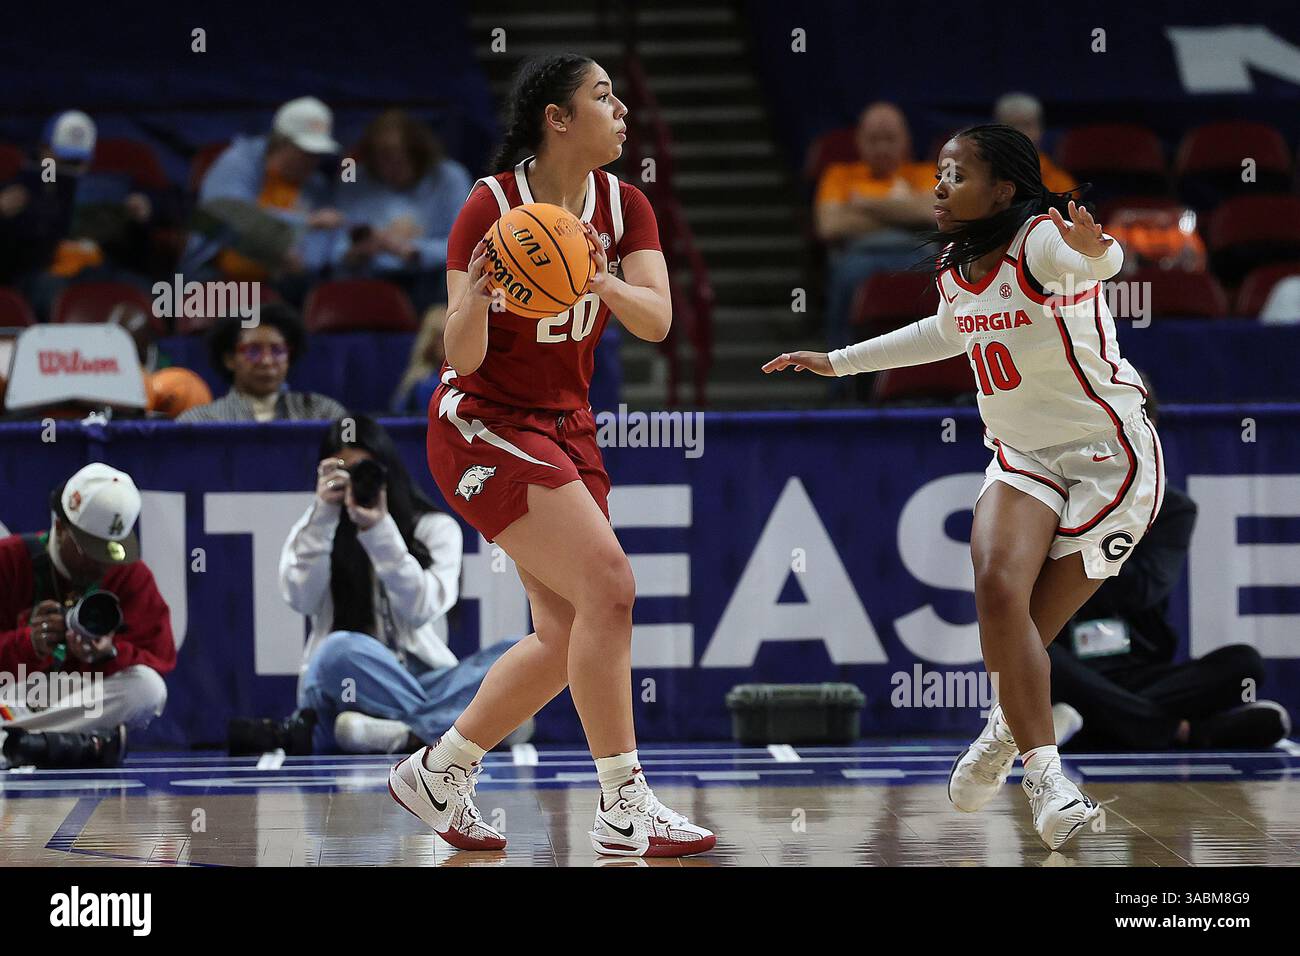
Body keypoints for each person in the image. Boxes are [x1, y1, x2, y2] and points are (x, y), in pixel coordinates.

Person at [766, 124, 1161, 851]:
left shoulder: (1042, 240)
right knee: (995, 587)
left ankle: (1002, 731)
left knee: (1029, 630)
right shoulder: (954, 261)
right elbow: (946, 332)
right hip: (1022, 456)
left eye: (955, 174)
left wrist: (1094, 249)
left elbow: (1103, 263)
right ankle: (1048, 779)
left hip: (1110, 460)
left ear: (1002, 190)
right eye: (939, 173)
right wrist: (838, 360)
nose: (938, 186)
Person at [387, 53, 715, 858]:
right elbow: (460, 356)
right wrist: (480, 299)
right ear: (557, 119)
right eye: (604, 97)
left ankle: (441, 769)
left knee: (566, 628)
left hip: (566, 424)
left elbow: (658, 321)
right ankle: (622, 803)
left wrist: (598, 281)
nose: (623, 111)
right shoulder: (488, 206)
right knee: (611, 584)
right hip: (482, 421)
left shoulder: (625, 204)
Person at [1047, 386, 1291, 750]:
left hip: (1142, 671)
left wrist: (1094, 536)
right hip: (1071, 665)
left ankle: (1092, 724)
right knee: (1037, 655)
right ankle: (1186, 732)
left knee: (1243, 664)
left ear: (1149, 429)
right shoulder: (1051, 499)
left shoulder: (1170, 508)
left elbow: (1143, 588)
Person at [279, 415, 523, 753]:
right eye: (342, 472)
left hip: (428, 680)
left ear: (386, 470)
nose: (354, 482)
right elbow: (300, 598)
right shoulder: (314, 531)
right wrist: (322, 517)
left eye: (364, 471)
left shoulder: (435, 529)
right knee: (336, 650)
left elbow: (422, 608)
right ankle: (469, 727)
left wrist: (379, 531)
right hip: (354, 684)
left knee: (518, 654)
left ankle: (398, 734)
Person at [0, 463, 175, 768]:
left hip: (80, 694)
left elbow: (161, 656)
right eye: (91, 551)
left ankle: (14, 743)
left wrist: (111, 652)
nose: (102, 565)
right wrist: (27, 643)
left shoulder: (131, 575)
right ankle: (63, 743)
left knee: (148, 688)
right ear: (60, 527)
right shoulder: (9, 559)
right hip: (15, 690)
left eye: (111, 553)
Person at [181, 97, 343, 296]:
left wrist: (302, 259)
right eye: (305, 151)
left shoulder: (318, 186)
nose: (313, 160)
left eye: (318, 153)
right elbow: (218, 218)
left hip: (282, 285)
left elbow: (319, 252)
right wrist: (302, 224)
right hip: (215, 278)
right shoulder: (238, 161)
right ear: (281, 141)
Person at [0, 111, 155, 318]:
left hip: (100, 268)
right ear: (46, 152)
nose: (70, 169)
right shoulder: (18, 189)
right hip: (47, 272)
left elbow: (137, 253)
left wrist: (139, 218)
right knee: (51, 292)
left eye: (76, 162)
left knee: (148, 290)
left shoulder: (104, 189)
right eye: (63, 160)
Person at [814, 102, 936, 351]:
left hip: (919, 255)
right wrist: (903, 208)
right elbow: (830, 226)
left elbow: (932, 213)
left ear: (906, 140)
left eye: (890, 139)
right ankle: (841, 375)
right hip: (858, 258)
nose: (882, 148)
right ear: (859, 141)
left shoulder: (926, 173)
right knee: (847, 277)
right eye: (873, 139)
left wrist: (864, 204)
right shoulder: (839, 175)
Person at [330, 110, 472, 311]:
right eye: (382, 160)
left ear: (419, 154)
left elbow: (466, 245)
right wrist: (354, 252)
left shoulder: (450, 176)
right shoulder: (353, 176)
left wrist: (414, 251)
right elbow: (335, 246)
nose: (390, 168)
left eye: (399, 159)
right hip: (371, 276)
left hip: (429, 277)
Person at [176, 303, 347, 422]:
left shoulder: (323, 413)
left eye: (277, 350)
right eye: (253, 351)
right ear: (229, 359)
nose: (266, 361)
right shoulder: (200, 421)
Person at [992, 93, 1076, 195]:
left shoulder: (1061, 183)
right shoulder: (981, 178)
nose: (1020, 132)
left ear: (1039, 130)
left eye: (1027, 125)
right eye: (1011, 125)